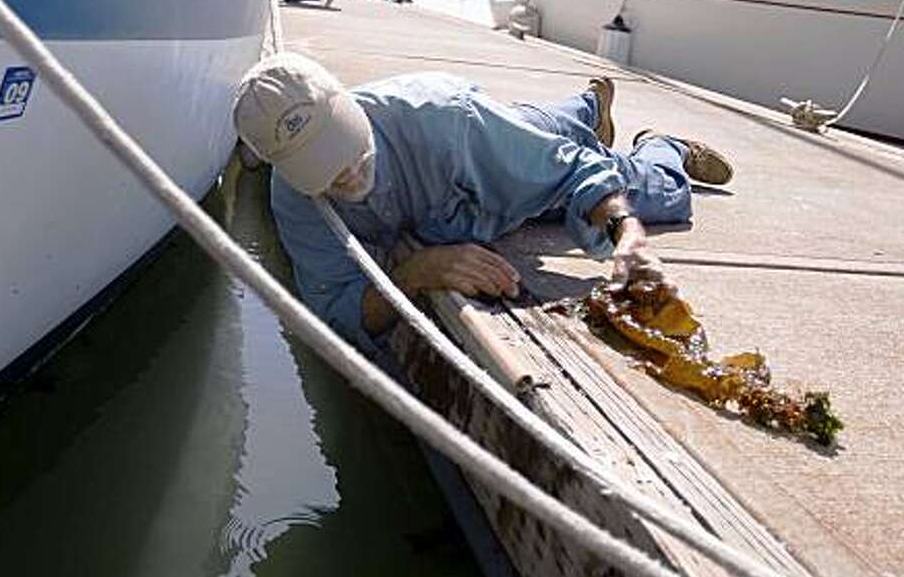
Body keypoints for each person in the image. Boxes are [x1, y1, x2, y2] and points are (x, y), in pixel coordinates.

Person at [232, 53, 735, 358]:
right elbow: (334, 309)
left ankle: (664, 147)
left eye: (341, 145)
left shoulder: (445, 120)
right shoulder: (293, 196)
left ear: (349, 103)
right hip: (488, 151)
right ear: (280, 165)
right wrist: (414, 274)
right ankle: (588, 107)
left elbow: (574, 171)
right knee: (534, 128)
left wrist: (628, 233)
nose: (343, 173)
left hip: (488, 156)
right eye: (319, 166)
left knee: (645, 193)